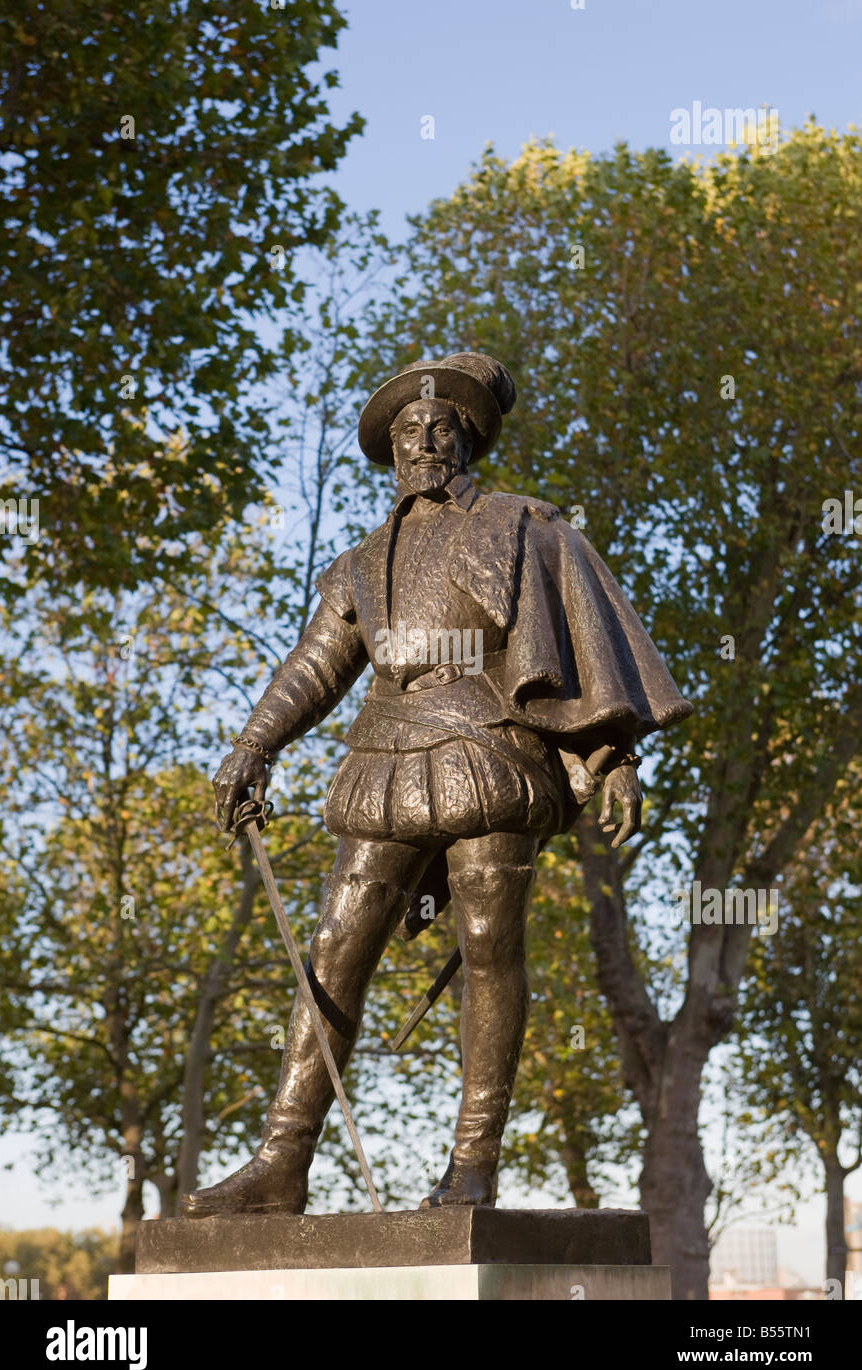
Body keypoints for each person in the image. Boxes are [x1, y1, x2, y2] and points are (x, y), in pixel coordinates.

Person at [182, 352, 692, 1217]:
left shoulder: (525, 527)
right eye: (407, 432)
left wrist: (613, 757)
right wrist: (252, 745)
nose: (423, 439)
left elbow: (582, 643)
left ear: (467, 439)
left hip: (489, 750)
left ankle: (471, 1166)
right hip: (383, 755)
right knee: (337, 947)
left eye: (440, 427)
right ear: (389, 452)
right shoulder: (358, 563)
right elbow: (315, 665)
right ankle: (281, 1160)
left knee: (492, 945)